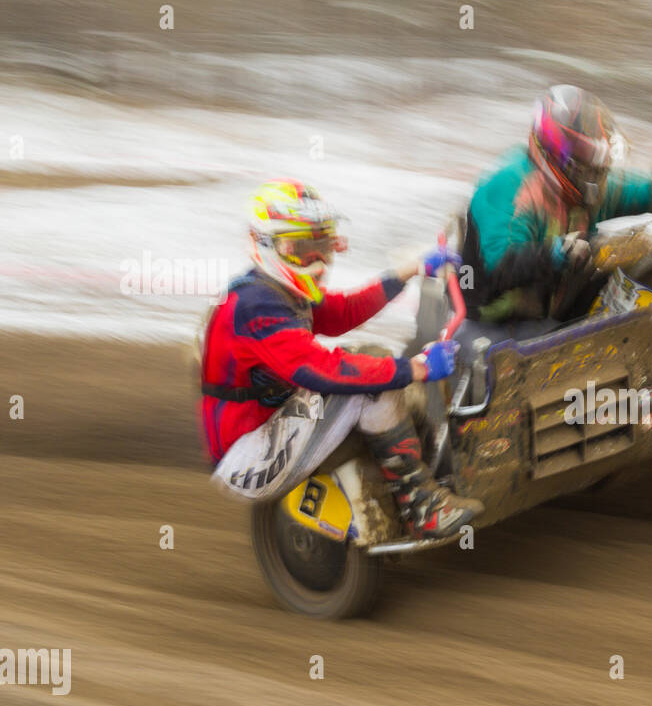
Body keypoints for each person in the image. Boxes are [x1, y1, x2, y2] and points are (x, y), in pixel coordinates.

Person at [197, 179, 481, 540]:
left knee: (375, 366)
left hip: (273, 427)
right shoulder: (256, 305)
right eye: (300, 248)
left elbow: (344, 311)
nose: (316, 260)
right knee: (371, 381)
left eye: (321, 246)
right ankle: (421, 506)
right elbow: (324, 371)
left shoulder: (278, 289)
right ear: (264, 245)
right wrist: (419, 367)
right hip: (247, 456)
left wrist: (412, 269)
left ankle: (413, 470)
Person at [457, 84, 652, 340]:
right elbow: (500, 265)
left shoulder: (590, 187)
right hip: (503, 320)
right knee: (614, 348)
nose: (592, 169)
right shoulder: (510, 187)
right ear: (552, 152)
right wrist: (558, 253)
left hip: (559, 298)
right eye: (582, 158)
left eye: (596, 159)